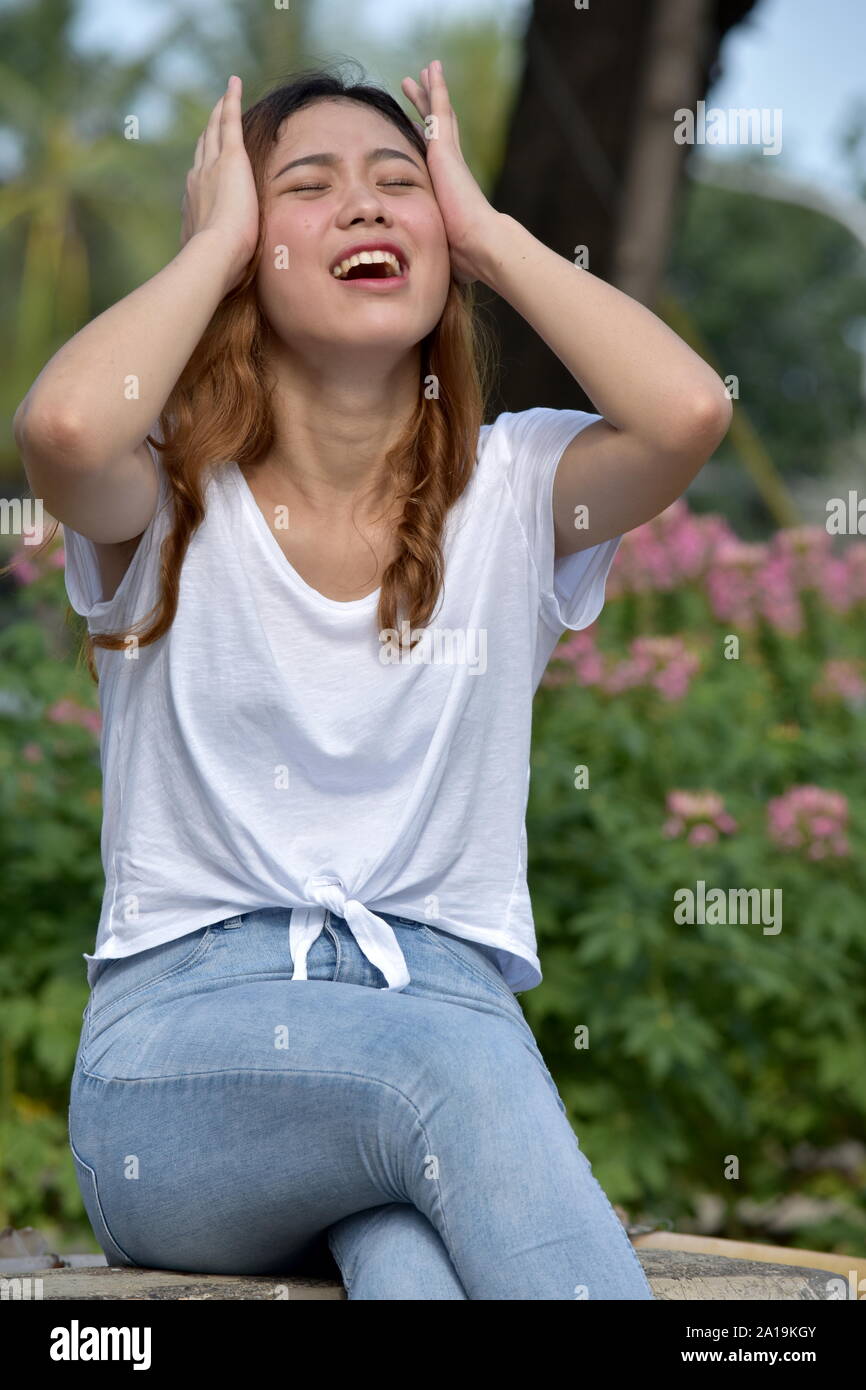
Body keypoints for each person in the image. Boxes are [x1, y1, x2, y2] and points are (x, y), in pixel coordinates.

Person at [13, 58, 730, 1299]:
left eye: (400, 182)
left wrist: (493, 234)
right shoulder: (169, 493)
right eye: (307, 186)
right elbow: (66, 428)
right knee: (446, 1069)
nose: (364, 206)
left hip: (433, 1039)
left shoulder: (510, 490)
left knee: (410, 1273)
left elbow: (681, 412)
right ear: (245, 248)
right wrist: (209, 247)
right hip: (184, 1067)